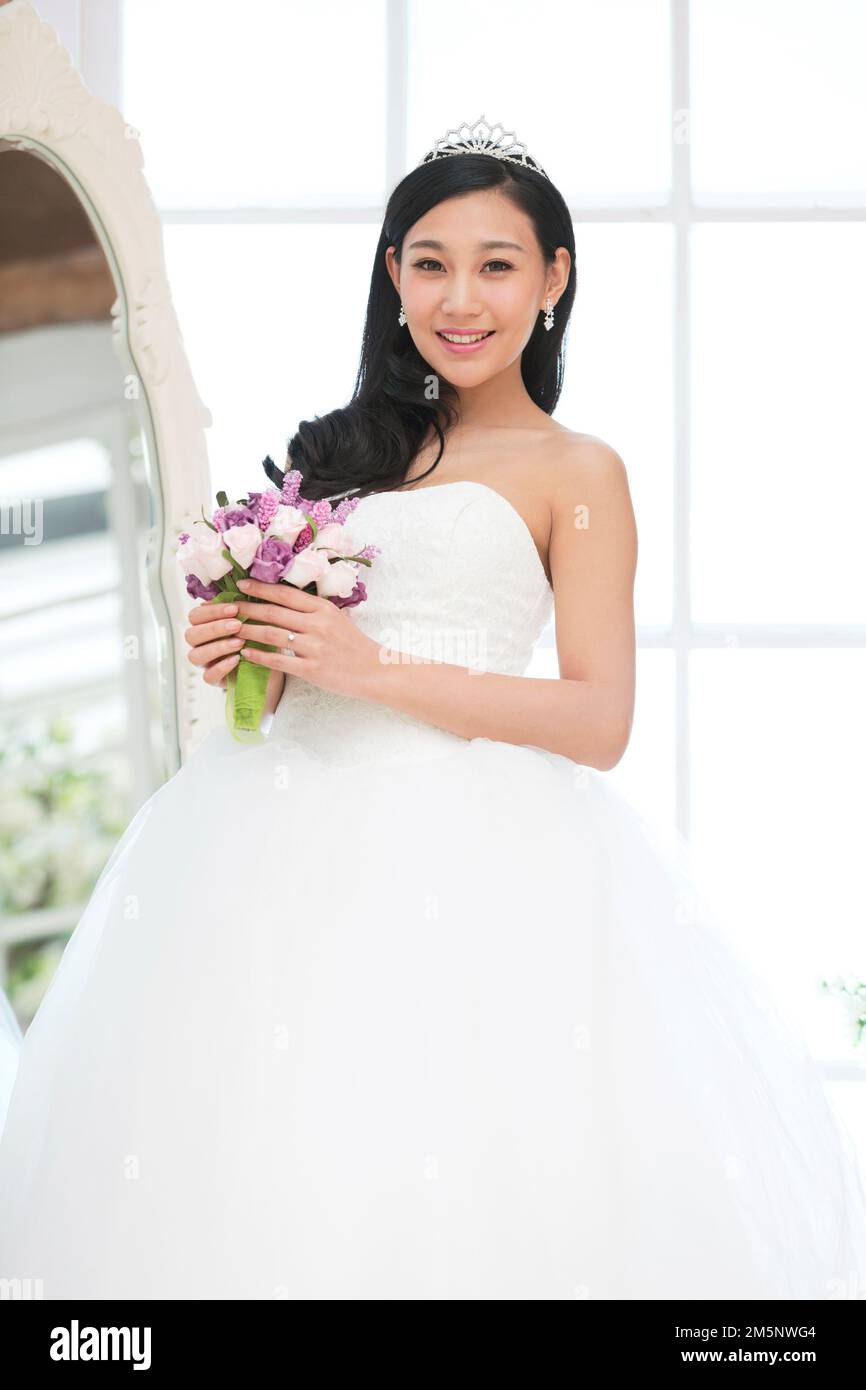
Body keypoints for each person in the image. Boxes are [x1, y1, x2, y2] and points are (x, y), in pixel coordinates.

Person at [1, 118, 865, 1301]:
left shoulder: (577, 470)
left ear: (553, 280)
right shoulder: (340, 453)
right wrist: (251, 650)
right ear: (393, 274)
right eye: (427, 262)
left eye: (496, 263)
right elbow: (304, 662)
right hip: (267, 840)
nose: (459, 297)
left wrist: (365, 667)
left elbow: (598, 717)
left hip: (484, 855)